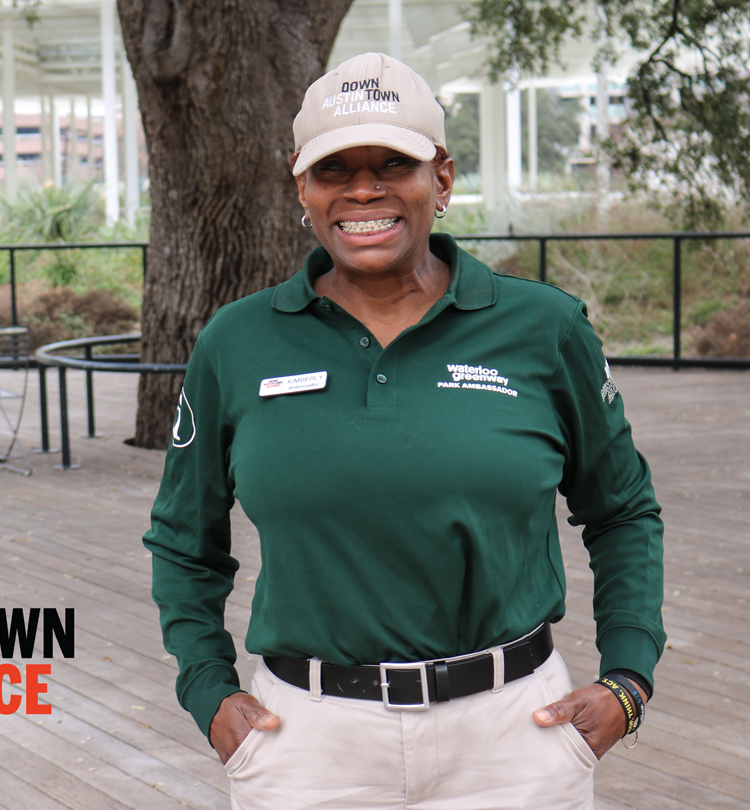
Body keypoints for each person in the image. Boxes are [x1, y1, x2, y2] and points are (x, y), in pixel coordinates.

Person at [143, 52, 663, 809]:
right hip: (307, 746)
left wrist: (628, 680)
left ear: (441, 179)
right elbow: (183, 539)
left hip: (515, 741)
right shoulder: (237, 342)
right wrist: (206, 687)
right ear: (302, 186)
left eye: (394, 163)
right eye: (334, 169)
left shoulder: (543, 328)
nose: (363, 190)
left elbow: (623, 511)